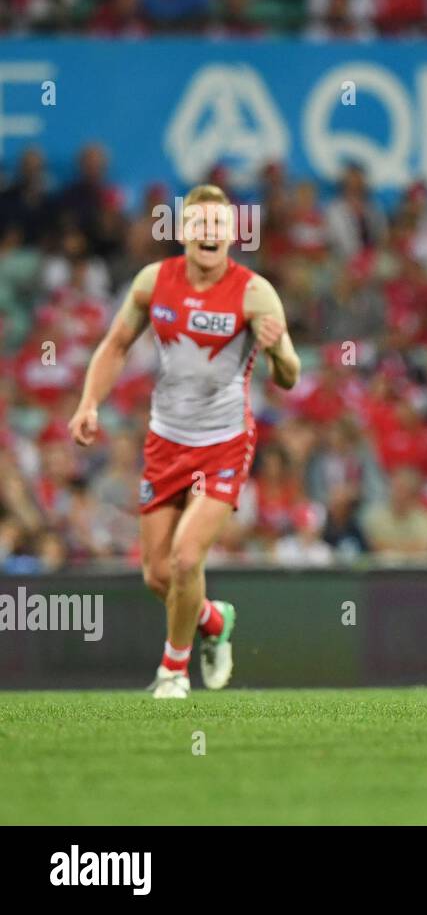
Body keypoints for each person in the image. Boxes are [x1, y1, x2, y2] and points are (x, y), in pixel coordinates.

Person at [69, 185, 300, 699]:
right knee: (156, 575)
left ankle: (173, 673)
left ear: (232, 235)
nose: (209, 234)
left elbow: (290, 373)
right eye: (200, 225)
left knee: (185, 559)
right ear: (182, 233)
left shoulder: (254, 292)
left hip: (223, 442)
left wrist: (276, 353)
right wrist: (88, 403)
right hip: (165, 441)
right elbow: (114, 345)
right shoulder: (154, 282)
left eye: (219, 226)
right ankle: (215, 621)